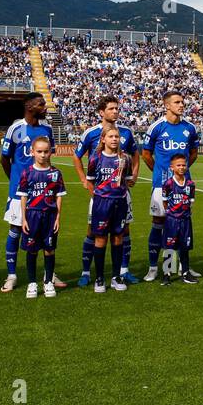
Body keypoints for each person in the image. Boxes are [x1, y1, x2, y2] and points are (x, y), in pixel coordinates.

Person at [72, 96, 139, 286]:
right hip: (100, 194)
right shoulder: (91, 133)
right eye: (111, 108)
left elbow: (135, 155)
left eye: (117, 108)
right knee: (92, 231)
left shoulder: (125, 132)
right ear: (101, 112)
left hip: (120, 193)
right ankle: (86, 272)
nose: (115, 111)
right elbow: (77, 157)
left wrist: (133, 175)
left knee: (124, 230)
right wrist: (84, 180)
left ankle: (123, 271)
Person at [0, 93, 57, 292]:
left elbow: (49, 159)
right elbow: (4, 159)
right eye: (41, 104)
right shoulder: (15, 128)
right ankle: (11, 275)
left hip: (44, 193)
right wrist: (17, 181)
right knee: (16, 231)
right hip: (20, 193)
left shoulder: (47, 129)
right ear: (29, 106)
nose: (45, 107)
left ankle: (48, 275)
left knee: (45, 232)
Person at [143, 91, 201, 282]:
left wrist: (181, 171)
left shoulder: (189, 128)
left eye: (182, 101)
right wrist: (161, 173)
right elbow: (146, 154)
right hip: (162, 186)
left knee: (182, 225)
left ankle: (182, 269)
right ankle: (154, 267)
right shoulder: (157, 127)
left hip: (184, 186)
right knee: (160, 225)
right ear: (167, 105)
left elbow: (193, 153)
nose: (181, 105)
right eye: (177, 102)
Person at [18, 136, 66, 297]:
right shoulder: (27, 173)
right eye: (39, 151)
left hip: (50, 216)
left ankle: (48, 282)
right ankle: (32, 283)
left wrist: (58, 217)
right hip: (32, 216)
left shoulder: (56, 173)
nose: (43, 155)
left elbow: (59, 196)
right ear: (32, 152)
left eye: (46, 151)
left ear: (50, 152)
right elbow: (23, 197)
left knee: (49, 250)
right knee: (32, 250)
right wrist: (23, 218)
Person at [85, 125, 131, 292]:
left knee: (118, 237)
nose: (114, 139)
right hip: (102, 203)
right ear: (103, 139)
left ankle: (116, 276)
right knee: (100, 238)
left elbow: (128, 180)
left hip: (120, 202)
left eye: (116, 137)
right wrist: (97, 198)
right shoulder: (95, 158)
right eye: (110, 136)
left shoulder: (125, 158)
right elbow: (89, 181)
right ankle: (99, 278)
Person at [159, 152, 197, 285]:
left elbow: (191, 202)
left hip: (186, 220)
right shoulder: (168, 184)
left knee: (185, 247)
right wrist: (172, 213)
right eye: (178, 165)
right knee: (169, 247)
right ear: (172, 168)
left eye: (183, 165)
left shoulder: (191, 184)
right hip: (172, 221)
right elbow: (165, 202)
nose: (181, 167)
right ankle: (167, 274)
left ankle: (185, 273)